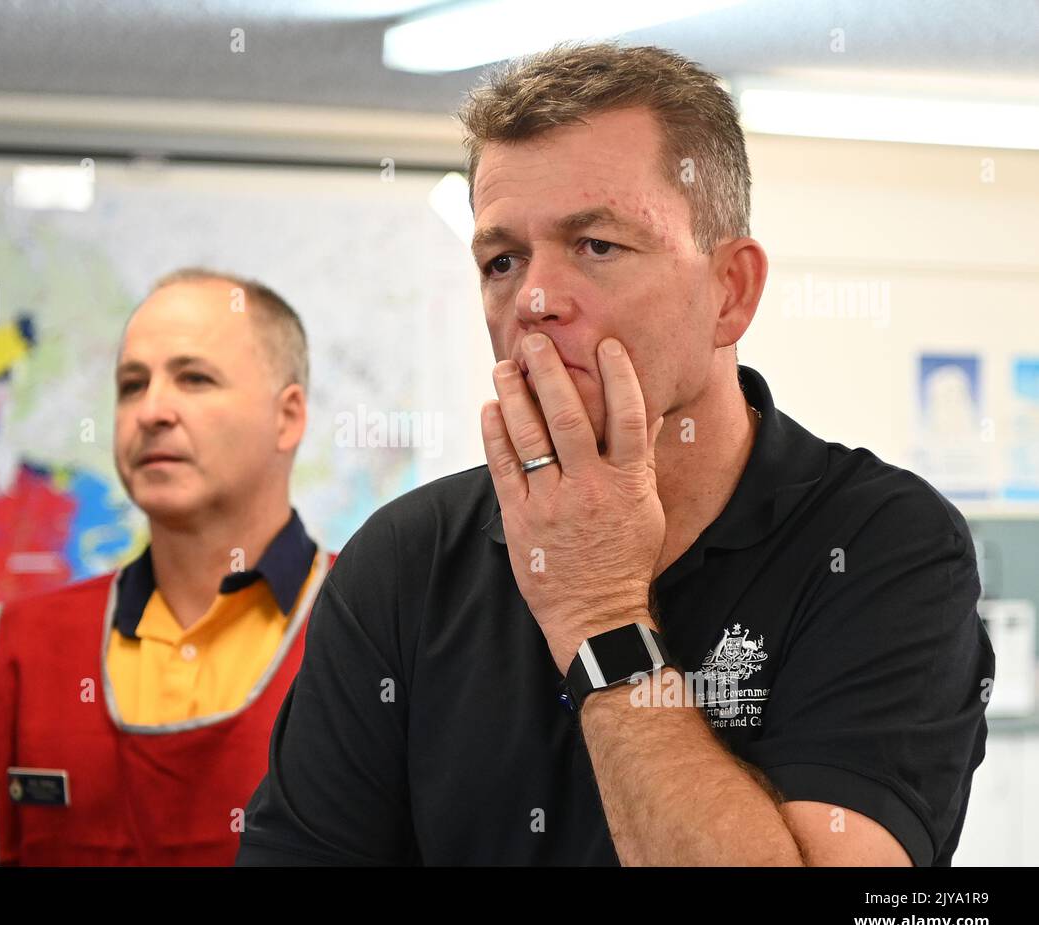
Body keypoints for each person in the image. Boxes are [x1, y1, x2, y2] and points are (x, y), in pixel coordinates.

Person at [237, 43, 994, 866]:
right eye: (502, 260)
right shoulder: (404, 561)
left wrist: (599, 612)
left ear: (730, 292)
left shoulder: (884, 545)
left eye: (596, 245)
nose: (533, 300)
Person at [0, 268, 332, 865]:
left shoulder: (373, 628)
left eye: (194, 378)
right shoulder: (26, 648)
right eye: (132, 385)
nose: (152, 410)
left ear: (287, 417)